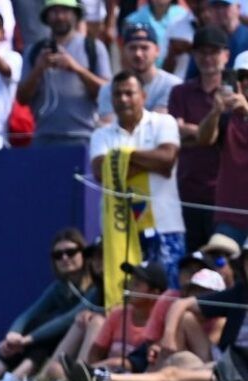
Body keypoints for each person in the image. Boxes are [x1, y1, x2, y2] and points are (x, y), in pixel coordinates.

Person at [66, 239, 248, 381]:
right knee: (177, 361)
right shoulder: (238, 293)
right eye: (192, 287)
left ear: (155, 291)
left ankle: (100, 377)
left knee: (171, 374)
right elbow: (177, 312)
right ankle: (89, 377)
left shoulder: (218, 320)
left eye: (138, 283)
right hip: (228, 365)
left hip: (237, 376)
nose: (131, 286)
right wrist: (167, 339)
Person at [91, 71, 186, 287]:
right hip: (121, 230)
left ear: (143, 96)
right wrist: (147, 159)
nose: (123, 99)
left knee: (166, 296)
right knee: (125, 299)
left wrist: (122, 156)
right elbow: (101, 173)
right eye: (117, 94)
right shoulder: (101, 134)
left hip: (164, 226)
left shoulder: (163, 122)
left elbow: (166, 160)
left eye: (129, 93)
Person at [0, 227, 97, 381]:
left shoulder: (95, 286)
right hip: (56, 341)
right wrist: (13, 335)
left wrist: (28, 338)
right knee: (37, 323)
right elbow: (30, 313)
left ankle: (11, 376)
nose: (64, 258)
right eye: (58, 255)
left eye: (71, 252)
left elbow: (68, 319)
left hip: (76, 343)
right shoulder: (60, 287)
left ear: (84, 253)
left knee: (45, 329)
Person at [15, 0, 112, 146]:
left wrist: (76, 68)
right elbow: (21, 98)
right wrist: (38, 69)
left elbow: (107, 92)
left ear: (75, 15)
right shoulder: (34, 50)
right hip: (43, 138)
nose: (59, 17)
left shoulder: (93, 47)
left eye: (65, 11)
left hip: (85, 137)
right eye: (54, 11)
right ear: (46, 16)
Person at [168, 26, 230, 253]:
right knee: (192, 258)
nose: (208, 58)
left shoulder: (234, 93)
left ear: (226, 55)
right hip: (188, 190)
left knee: (222, 260)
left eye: (214, 52)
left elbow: (227, 138)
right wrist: (207, 135)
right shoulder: (180, 93)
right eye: (202, 52)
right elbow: (174, 136)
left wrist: (190, 131)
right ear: (194, 56)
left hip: (223, 193)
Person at [195, 50, 248, 245]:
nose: (246, 82)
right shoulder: (228, 116)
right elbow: (203, 139)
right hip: (229, 218)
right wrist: (215, 112)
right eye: (242, 77)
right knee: (222, 272)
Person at [85, 261, 169, 371]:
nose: (129, 287)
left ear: (154, 293)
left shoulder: (162, 324)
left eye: (136, 284)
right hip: (105, 377)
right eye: (131, 281)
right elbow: (96, 353)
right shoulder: (117, 314)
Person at [96, 23, 181, 125]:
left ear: (157, 51)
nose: (138, 54)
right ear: (123, 51)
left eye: (144, 48)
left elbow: (159, 125)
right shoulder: (109, 88)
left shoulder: (173, 85)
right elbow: (108, 126)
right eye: (132, 48)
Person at [122, 0, 190, 66]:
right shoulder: (132, 21)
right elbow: (126, 58)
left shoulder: (185, 17)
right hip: (144, 72)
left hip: (179, 72)